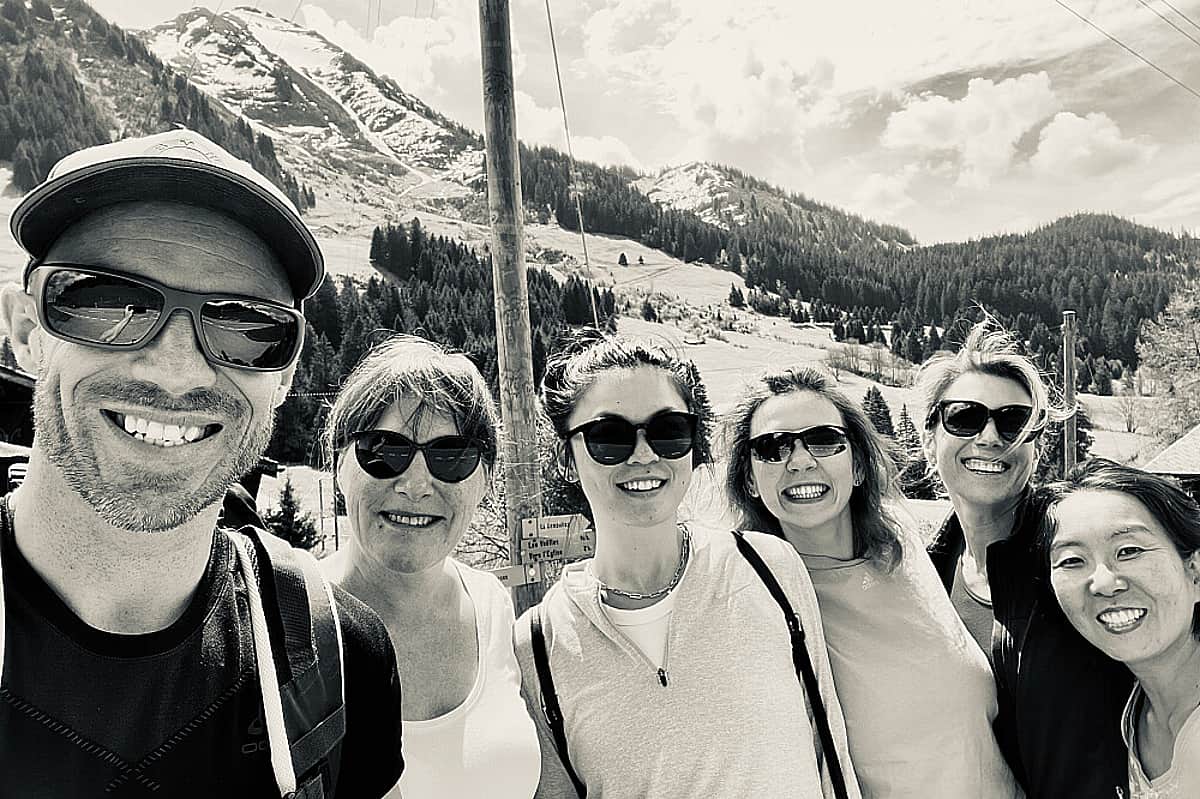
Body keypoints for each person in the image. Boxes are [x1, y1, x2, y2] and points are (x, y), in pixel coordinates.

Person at [0, 129, 403, 797]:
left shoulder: (341, 662)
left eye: (246, 327)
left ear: (284, 374)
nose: (178, 370)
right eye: (108, 302)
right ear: (25, 329)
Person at [512, 332, 860, 799]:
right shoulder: (538, 647)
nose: (644, 454)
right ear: (566, 459)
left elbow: (831, 756)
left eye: (669, 430)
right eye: (609, 437)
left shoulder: (768, 569)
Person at [723, 367, 1020, 799]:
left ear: (858, 464)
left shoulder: (903, 544)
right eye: (772, 447)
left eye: (824, 440)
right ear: (750, 478)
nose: (800, 461)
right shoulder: (759, 603)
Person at [915, 317, 1133, 798]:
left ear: (1036, 445)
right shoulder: (924, 575)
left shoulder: (1079, 549)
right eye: (965, 417)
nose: (991, 437)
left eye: (1014, 421)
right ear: (930, 438)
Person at [320, 335, 540, 798]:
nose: (416, 484)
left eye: (451, 457)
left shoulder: (493, 608)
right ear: (339, 466)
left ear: (486, 480)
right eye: (384, 451)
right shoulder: (288, 622)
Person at [1040, 459, 1200, 798]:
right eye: (1072, 560)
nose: (1103, 583)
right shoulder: (1131, 715)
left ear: (1195, 571)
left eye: (1129, 551)